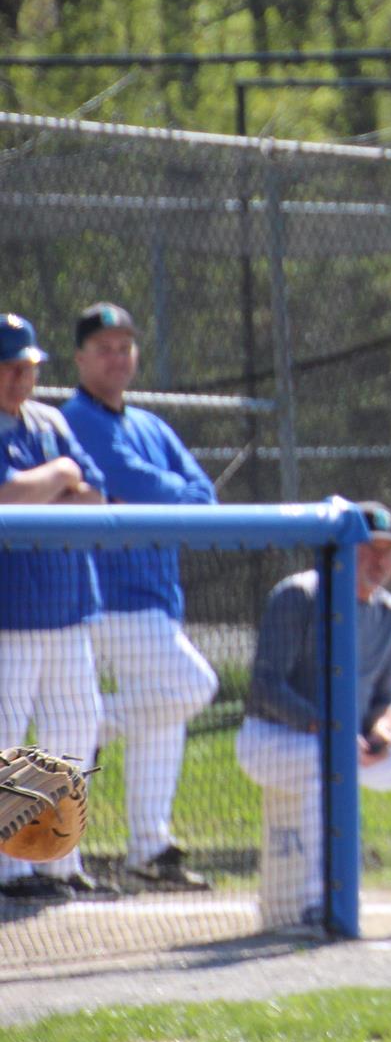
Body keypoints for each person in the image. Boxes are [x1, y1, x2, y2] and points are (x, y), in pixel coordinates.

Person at [234, 500, 391, 929]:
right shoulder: (299, 595)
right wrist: (331, 731)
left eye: (387, 551)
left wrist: (382, 729)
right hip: (271, 740)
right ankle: (317, 902)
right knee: (331, 761)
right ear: (341, 550)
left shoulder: (390, 612)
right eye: (369, 548)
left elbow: (386, 698)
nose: (380, 560)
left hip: (347, 744)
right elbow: (265, 688)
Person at [61, 303, 220, 890]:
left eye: (125, 345)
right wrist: (164, 495)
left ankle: (149, 848)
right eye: (103, 346)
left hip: (155, 597)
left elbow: (200, 497)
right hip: (104, 601)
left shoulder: (153, 425)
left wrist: (160, 497)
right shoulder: (74, 419)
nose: (116, 356)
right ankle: (85, 731)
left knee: (162, 717)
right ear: (80, 358)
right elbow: (124, 480)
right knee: (191, 687)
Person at [0, 313, 111, 903]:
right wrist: (59, 475)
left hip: (69, 606)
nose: (22, 377)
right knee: (6, 738)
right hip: (9, 615)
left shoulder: (49, 421)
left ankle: (58, 861)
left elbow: (94, 496)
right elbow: (6, 497)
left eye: (29, 367)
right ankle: (9, 867)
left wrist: (54, 480)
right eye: (11, 367)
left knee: (75, 732)